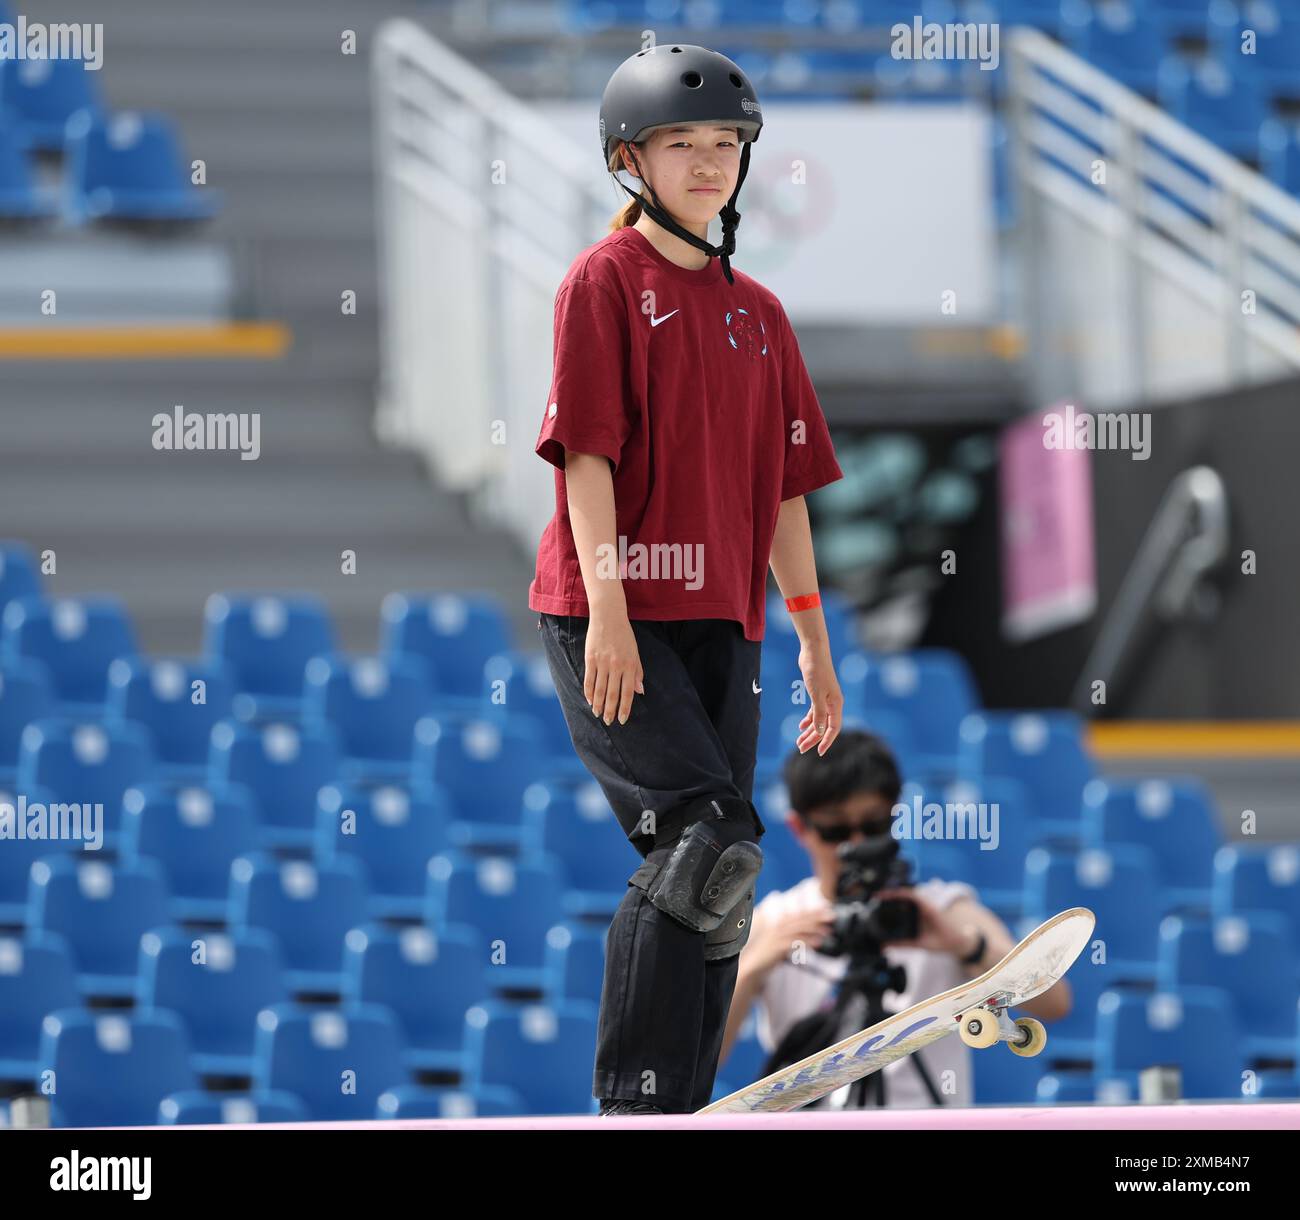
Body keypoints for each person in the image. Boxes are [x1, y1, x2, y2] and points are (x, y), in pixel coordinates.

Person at [528, 44, 846, 1115]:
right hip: (609, 611)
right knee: (699, 839)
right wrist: (610, 616)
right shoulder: (602, 282)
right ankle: (634, 1099)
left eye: (725, 145)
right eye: (682, 145)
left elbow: (788, 490)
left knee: (728, 863)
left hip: (726, 618)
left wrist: (811, 637)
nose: (708, 163)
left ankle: (685, 1102)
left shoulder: (761, 313)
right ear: (632, 159)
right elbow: (586, 457)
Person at [719, 730, 1073, 1108]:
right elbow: (705, 1058)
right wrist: (755, 966)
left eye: (873, 826)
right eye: (835, 830)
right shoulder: (775, 921)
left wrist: (966, 945)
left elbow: (1055, 1003)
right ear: (799, 827)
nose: (854, 844)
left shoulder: (943, 907)